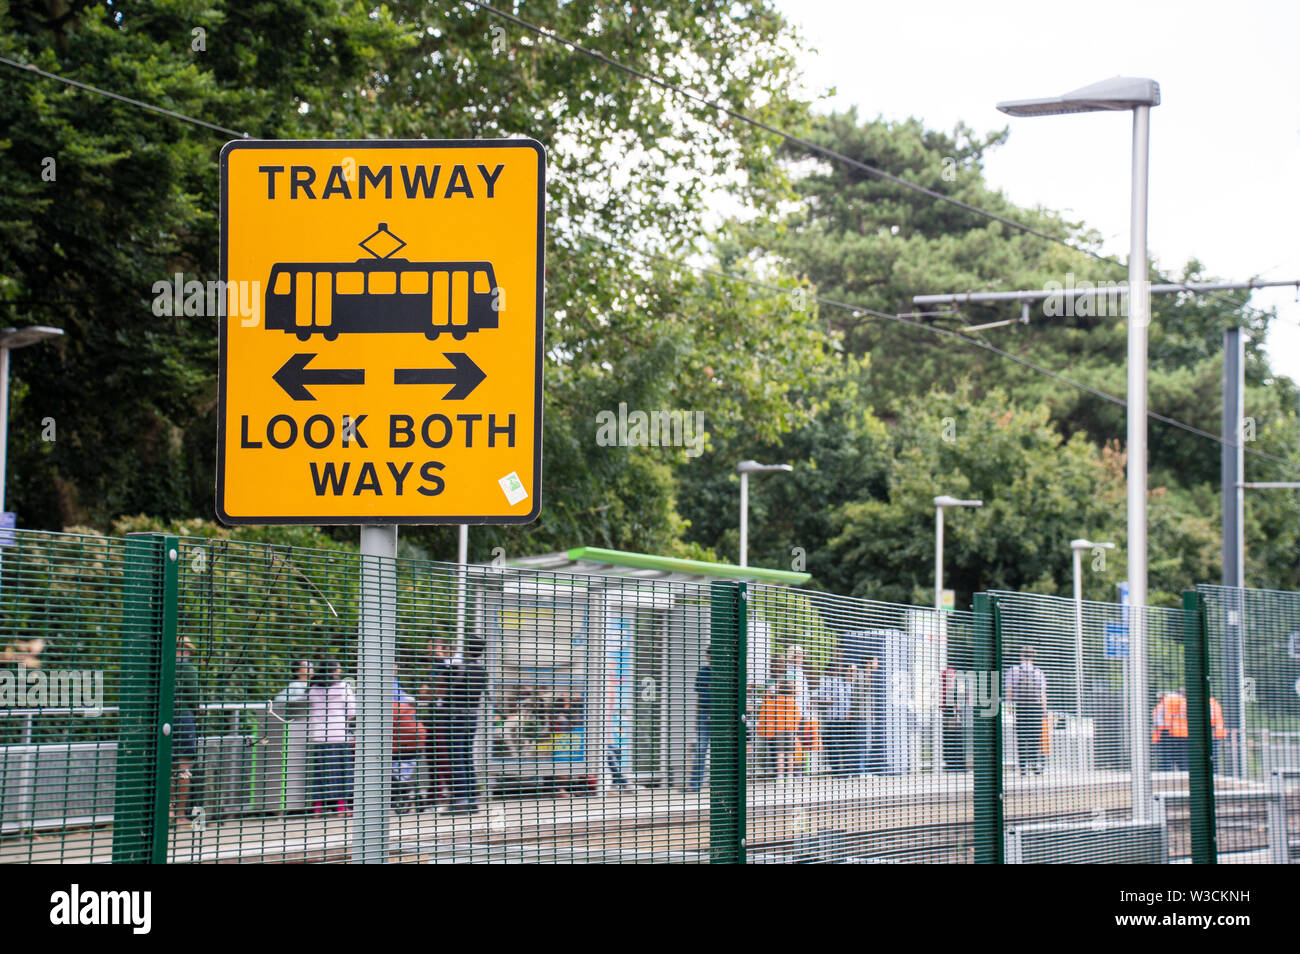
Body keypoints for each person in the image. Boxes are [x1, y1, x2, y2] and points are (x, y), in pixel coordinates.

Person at [439, 642, 486, 815]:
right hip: (472, 717)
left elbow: (441, 683)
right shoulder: (482, 671)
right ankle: (471, 799)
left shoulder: (459, 668)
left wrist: (442, 660)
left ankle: (461, 799)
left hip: (456, 716)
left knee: (456, 756)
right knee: (467, 755)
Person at [307, 658, 355, 814]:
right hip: (339, 735)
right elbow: (352, 712)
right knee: (342, 772)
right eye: (339, 668)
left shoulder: (313, 688)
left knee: (321, 771)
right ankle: (341, 806)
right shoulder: (343, 687)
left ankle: (318, 807)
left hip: (320, 735)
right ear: (334, 671)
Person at [171, 636, 200, 824]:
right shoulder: (187, 667)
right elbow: (194, 696)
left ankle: (168, 811)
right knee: (184, 768)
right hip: (183, 719)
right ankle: (180, 814)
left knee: (167, 766)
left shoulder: (163, 666)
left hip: (166, 719)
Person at [1006, 647, 1047, 776]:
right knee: (1034, 736)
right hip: (1035, 707)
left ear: (1022, 656)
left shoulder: (1014, 670)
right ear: (1033, 656)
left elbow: (1009, 690)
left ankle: (1022, 766)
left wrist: (1010, 707)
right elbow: (1042, 694)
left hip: (1021, 707)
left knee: (1021, 735)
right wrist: (1044, 710)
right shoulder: (1038, 672)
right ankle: (1034, 762)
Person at [817, 661, 853, 776]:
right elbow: (823, 699)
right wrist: (829, 701)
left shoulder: (840, 681)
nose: (837, 672)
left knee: (843, 744)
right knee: (834, 744)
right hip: (832, 718)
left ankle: (845, 769)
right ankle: (836, 769)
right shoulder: (824, 681)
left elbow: (846, 698)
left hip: (843, 718)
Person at [756, 681, 798, 780]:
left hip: (778, 731)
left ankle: (780, 776)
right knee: (790, 754)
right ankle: (790, 776)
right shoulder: (793, 702)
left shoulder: (775, 701)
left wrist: (767, 694)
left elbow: (766, 706)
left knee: (780, 754)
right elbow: (797, 716)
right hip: (789, 730)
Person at [688, 649, 711, 793]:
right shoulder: (702, 672)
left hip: (719, 714)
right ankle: (695, 784)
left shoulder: (724, 672)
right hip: (704, 712)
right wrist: (696, 718)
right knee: (701, 748)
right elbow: (699, 696)